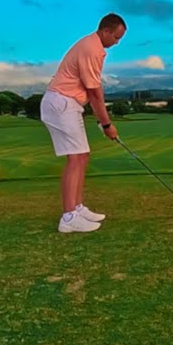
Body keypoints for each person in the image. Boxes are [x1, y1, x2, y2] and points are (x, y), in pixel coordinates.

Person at [40, 13, 126, 233]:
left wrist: (101, 120)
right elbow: (95, 93)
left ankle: (76, 208)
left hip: (67, 103)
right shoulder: (91, 49)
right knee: (76, 157)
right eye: (116, 37)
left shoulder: (93, 47)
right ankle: (69, 217)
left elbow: (93, 91)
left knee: (82, 155)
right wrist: (106, 125)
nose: (116, 43)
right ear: (105, 31)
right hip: (62, 103)